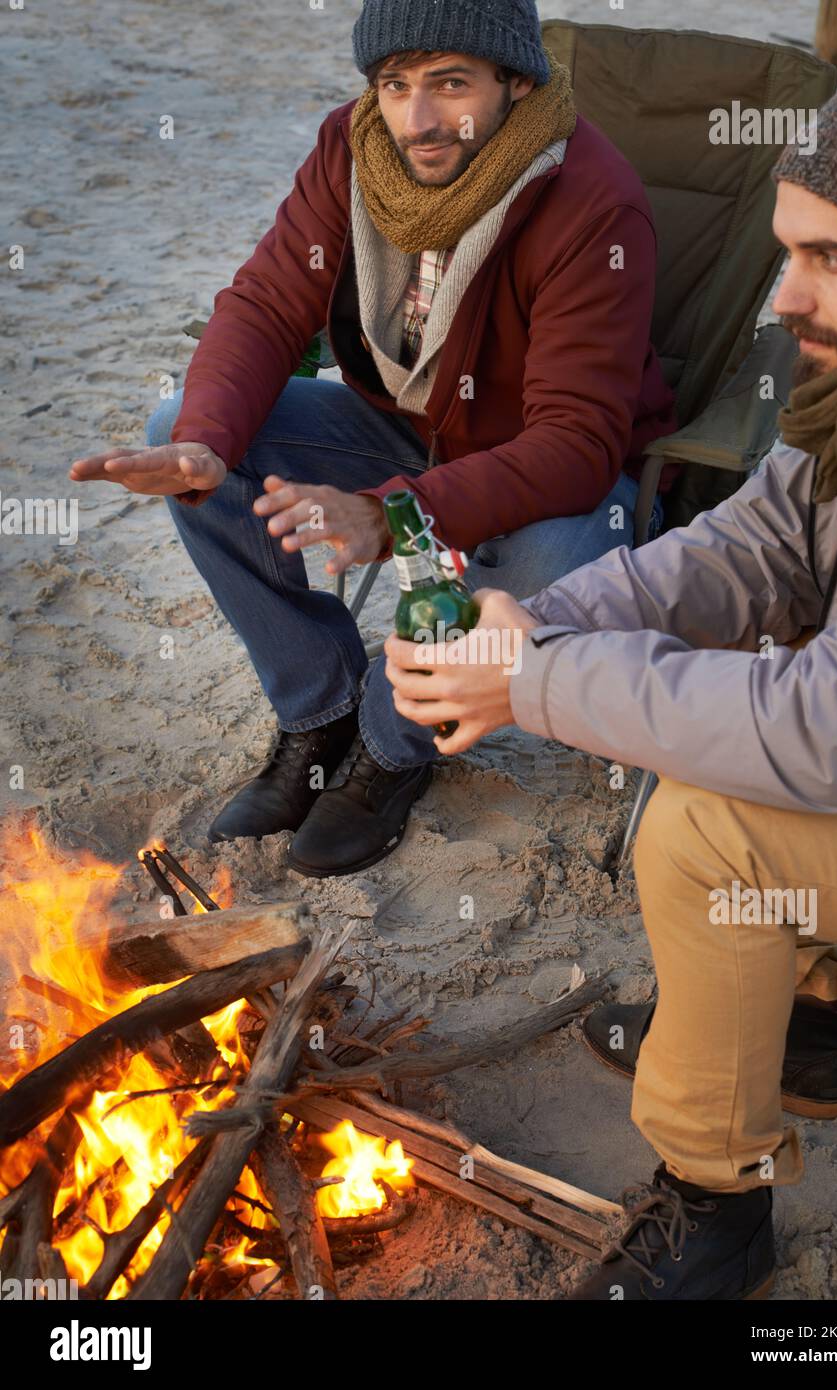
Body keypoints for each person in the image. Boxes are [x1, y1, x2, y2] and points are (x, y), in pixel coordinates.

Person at [385, 38, 837, 1299]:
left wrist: (534, 688)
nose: (785, 298)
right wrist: (536, 628)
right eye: (788, 250)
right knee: (749, 641)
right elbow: (746, 546)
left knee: (704, 829)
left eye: (832, 259)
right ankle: (784, 1015)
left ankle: (714, 1198)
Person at [68, 0, 674, 878]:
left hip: (552, 473)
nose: (418, 119)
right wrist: (205, 442)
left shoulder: (591, 200)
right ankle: (322, 715)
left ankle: (388, 752)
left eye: (450, 84)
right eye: (395, 86)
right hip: (404, 424)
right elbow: (268, 303)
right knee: (187, 438)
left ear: (514, 81)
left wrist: (392, 517)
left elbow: (577, 442)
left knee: (547, 570)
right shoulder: (352, 150)